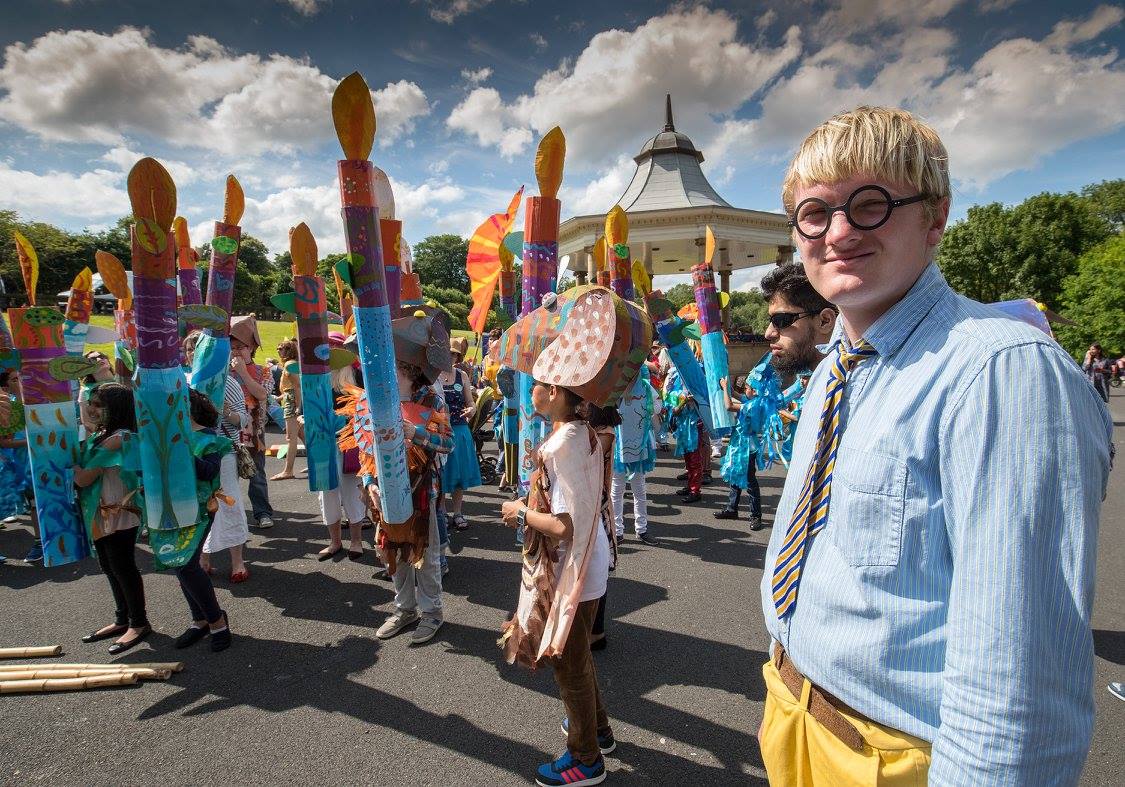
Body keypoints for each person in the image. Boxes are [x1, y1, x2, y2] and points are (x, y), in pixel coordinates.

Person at [758, 106, 1113, 785]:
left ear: (935, 217)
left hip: (893, 756)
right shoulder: (836, 366)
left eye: (869, 205)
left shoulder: (998, 370)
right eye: (813, 213)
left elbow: (1019, 683)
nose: (836, 233)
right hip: (799, 715)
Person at [500, 385, 617, 787]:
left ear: (553, 391)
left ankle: (586, 759)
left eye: (537, 382)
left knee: (567, 663)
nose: (529, 388)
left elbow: (563, 527)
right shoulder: (583, 430)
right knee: (578, 654)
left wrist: (521, 512)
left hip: (574, 567)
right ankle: (597, 731)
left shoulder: (562, 444)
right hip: (589, 560)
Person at [369, 311, 454, 645]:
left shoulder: (430, 398)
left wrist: (415, 432)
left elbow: (448, 442)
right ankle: (405, 609)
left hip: (423, 493)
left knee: (427, 556)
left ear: (407, 369)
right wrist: (369, 484)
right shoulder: (377, 399)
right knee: (395, 552)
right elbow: (365, 446)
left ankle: (432, 613)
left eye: (394, 365)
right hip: (386, 493)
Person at [73, 383, 150, 654]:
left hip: (120, 512)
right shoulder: (106, 434)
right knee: (109, 564)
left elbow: (83, 478)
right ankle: (122, 618)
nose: (92, 409)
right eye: (90, 403)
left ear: (115, 409)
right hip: (102, 511)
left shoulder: (120, 438)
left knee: (122, 565)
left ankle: (138, 623)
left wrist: (63, 457)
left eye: (98, 405)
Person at [182, 332, 250, 583]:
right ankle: (203, 559)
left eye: (197, 350)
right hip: (190, 455)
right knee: (199, 507)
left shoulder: (227, 383)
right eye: (189, 350)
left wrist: (224, 411)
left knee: (228, 504)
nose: (192, 354)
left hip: (223, 453)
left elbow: (244, 420)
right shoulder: (181, 381)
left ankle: (237, 561)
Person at [172, 388, 234, 653]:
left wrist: (181, 449)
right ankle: (200, 620)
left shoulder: (208, 438)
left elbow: (209, 472)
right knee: (179, 563)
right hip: (172, 507)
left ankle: (217, 622)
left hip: (199, 507)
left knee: (186, 565)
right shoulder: (174, 437)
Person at [316, 360, 369, 562]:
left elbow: (365, 409)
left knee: (353, 492)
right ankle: (335, 541)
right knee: (327, 494)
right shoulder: (319, 379)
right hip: (324, 444)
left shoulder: (357, 376)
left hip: (350, 444)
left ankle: (356, 541)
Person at [229, 315, 275, 529]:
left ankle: (263, 513)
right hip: (229, 430)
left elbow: (262, 394)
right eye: (233, 347)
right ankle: (230, 517)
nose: (237, 351)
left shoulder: (263, 371)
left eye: (242, 347)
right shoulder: (221, 373)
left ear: (252, 349)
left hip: (255, 431)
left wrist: (243, 373)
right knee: (228, 474)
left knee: (256, 474)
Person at [610, 366, 658, 545]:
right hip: (619, 448)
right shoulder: (614, 391)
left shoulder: (645, 388)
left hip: (639, 447)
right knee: (617, 491)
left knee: (639, 490)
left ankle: (642, 529)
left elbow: (658, 408)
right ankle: (618, 531)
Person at [437, 336, 481, 531]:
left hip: (460, 429)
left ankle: (458, 512)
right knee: (440, 473)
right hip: (439, 430)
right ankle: (442, 512)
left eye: (454, 354)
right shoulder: (433, 375)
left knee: (459, 474)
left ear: (458, 357)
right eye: (448, 353)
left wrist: (472, 409)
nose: (451, 357)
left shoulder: (461, 375)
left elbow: (470, 402)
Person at [0, 371, 41, 563]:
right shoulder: (10, 407)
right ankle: (39, 542)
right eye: (15, 379)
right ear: (7, 387)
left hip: (42, 460)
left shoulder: (39, 401)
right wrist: (32, 441)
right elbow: (5, 442)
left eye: (22, 377)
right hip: (21, 465)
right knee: (33, 502)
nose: (22, 381)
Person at [714, 375, 765, 530]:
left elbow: (729, 405)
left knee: (750, 482)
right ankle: (732, 509)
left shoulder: (754, 405)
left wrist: (724, 389)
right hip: (739, 444)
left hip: (747, 447)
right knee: (735, 476)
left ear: (754, 391)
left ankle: (756, 516)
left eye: (747, 388)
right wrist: (727, 386)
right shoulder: (752, 400)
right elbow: (737, 396)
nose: (744, 390)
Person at [271, 339, 303, 480]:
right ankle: (315, 463)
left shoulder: (290, 365)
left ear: (289, 350)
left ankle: (288, 471)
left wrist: (298, 406)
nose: (278, 350)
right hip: (289, 399)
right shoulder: (289, 365)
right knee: (303, 436)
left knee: (290, 438)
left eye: (281, 348)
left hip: (291, 403)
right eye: (278, 347)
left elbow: (297, 387)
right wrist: (279, 398)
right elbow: (290, 388)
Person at [78, 349, 114, 434]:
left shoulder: (123, 380)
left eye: (101, 357)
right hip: (106, 437)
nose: (99, 360)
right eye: (93, 360)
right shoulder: (86, 392)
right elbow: (88, 423)